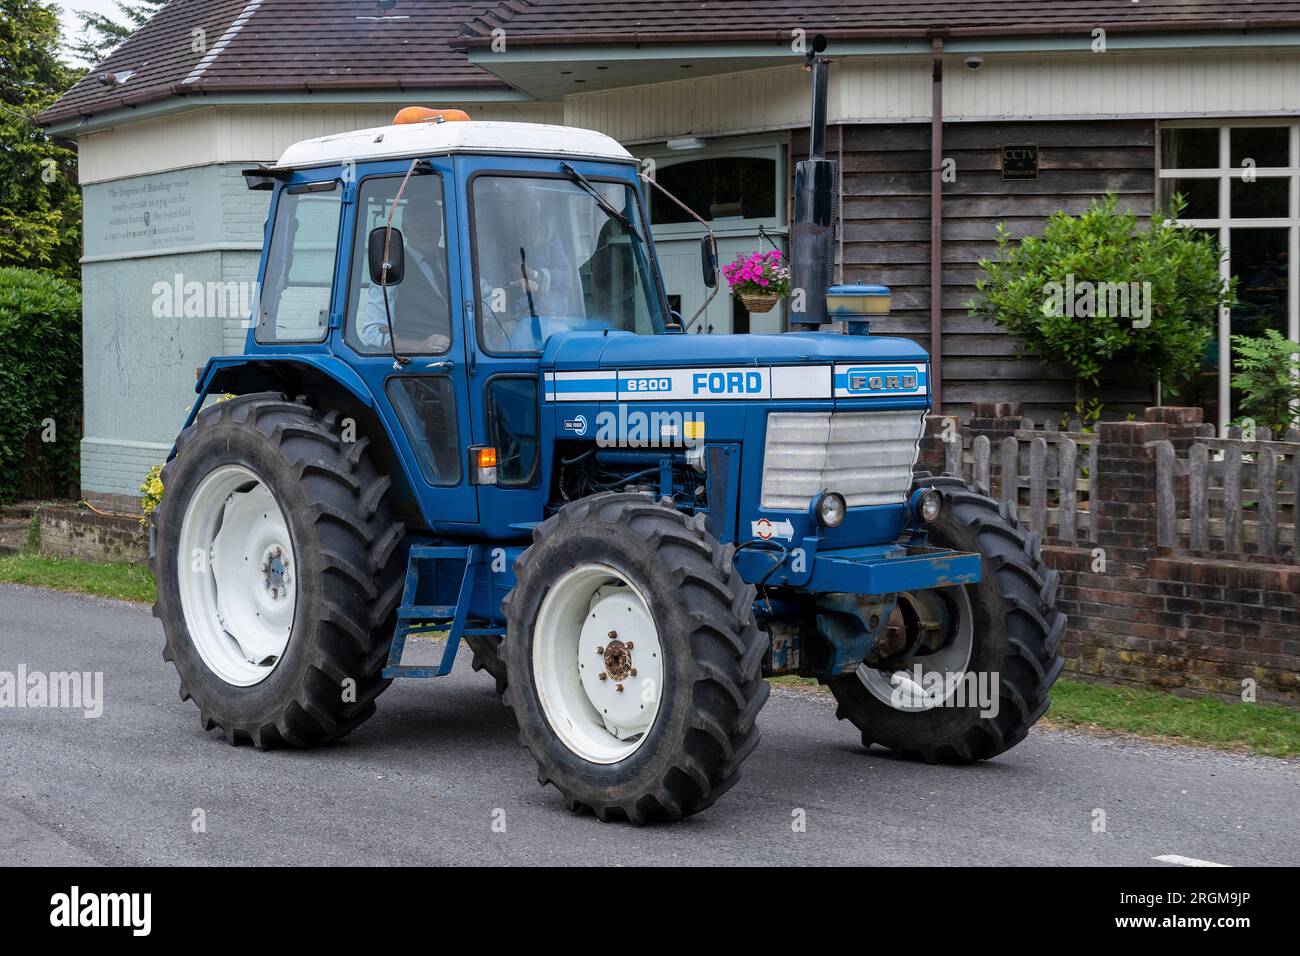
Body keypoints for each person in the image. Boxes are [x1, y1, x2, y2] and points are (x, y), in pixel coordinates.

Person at [360, 196, 452, 353]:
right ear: (405, 229)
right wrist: (420, 347)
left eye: (433, 226)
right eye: (420, 226)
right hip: (420, 366)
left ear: (441, 228)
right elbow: (373, 333)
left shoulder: (454, 260)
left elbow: (485, 293)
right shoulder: (390, 269)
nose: (428, 232)